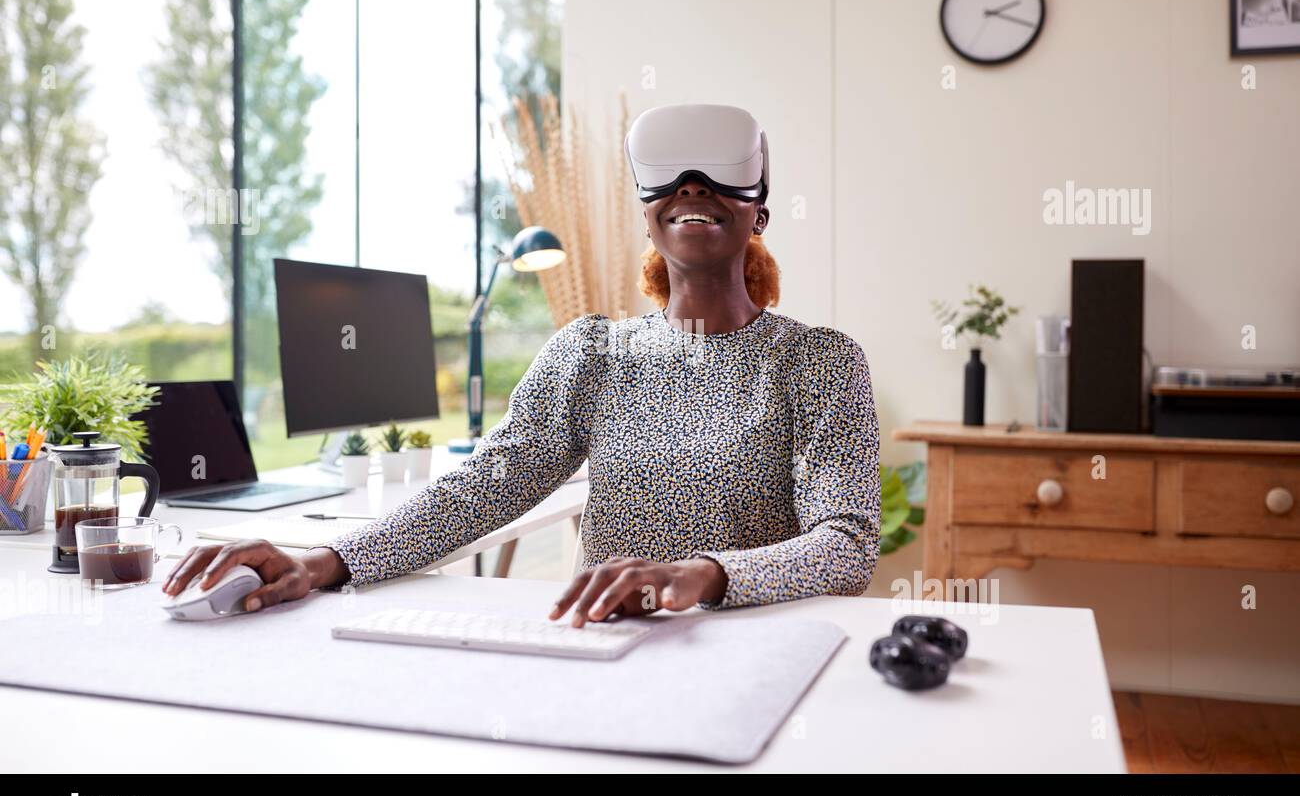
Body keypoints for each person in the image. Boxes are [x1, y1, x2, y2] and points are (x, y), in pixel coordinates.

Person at [164, 104, 881, 626]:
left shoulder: (818, 362)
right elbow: (486, 486)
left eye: (718, 178)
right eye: (671, 181)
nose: (692, 189)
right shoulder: (591, 354)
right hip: (602, 648)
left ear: (758, 213)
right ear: (648, 213)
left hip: (756, 651)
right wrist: (324, 561)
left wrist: (704, 574)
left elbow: (845, 544)